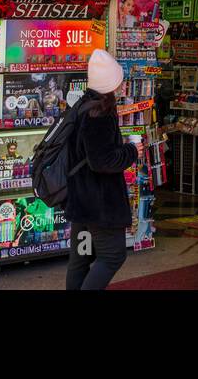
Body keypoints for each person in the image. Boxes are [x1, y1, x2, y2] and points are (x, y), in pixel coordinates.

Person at [65, 48, 138, 290]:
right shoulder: (100, 113)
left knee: (80, 259)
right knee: (113, 255)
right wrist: (132, 150)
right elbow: (103, 161)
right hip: (100, 202)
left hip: (80, 198)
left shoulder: (82, 105)